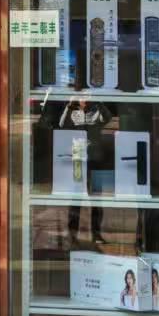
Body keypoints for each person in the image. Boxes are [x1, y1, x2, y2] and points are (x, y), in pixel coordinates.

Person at [60, 96, 112, 246]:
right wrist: (69, 105)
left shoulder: (95, 110)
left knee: (96, 198)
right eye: (81, 96)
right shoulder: (73, 111)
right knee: (76, 197)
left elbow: (108, 117)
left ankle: (96, 234)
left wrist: (98, 101)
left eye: (86, 96)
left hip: (95, 159)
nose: (84, 99)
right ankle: (72, 235)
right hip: (78, 158)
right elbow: (62, 124)